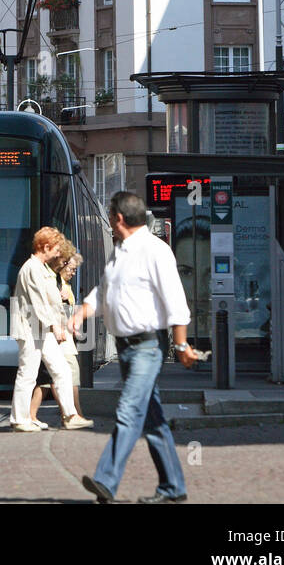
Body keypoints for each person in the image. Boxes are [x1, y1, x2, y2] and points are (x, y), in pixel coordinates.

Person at [70, 191, 197, 504]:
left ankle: (105, 481)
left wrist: (180, 344)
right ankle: (173, 488)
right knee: (151, 418)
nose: (110, 223)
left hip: (146, 346)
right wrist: (80, 313)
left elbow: (176, 303)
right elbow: (104, 291)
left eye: (111, 217)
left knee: (128, 411)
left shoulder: (155, 250)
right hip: (127, 348)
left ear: (118, 218)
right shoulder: (120, 251)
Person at [10, 227, 91, 432]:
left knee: (61, 370)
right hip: (32, 329)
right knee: (28, 373)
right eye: (56, 249)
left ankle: (70, 415)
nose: (58, 254)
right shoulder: (32, 268)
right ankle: (20, 418)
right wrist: (55, 326)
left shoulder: (38, 268)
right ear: (45, 247)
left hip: (40, 329)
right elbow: (39, 302)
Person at [30, 243, 85, 421]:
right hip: (57, 337)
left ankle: (31, 415)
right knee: (69, 375)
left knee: (46, 380)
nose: (73, 272)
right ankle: (73, 414)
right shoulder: (51, 281)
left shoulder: (63, 285)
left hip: (61, 336)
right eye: (72, 268)